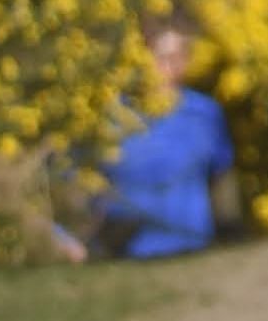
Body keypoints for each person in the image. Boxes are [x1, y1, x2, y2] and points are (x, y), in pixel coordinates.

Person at [63, 19, 238, 259]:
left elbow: (222, 179)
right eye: (162, 57)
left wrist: (231, 236)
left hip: (193, 250)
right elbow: (69, 180)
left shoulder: (205, 113)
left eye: (180, 56)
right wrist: (68, 240)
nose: (172, 67)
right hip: (121, 255)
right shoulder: (109, 116)